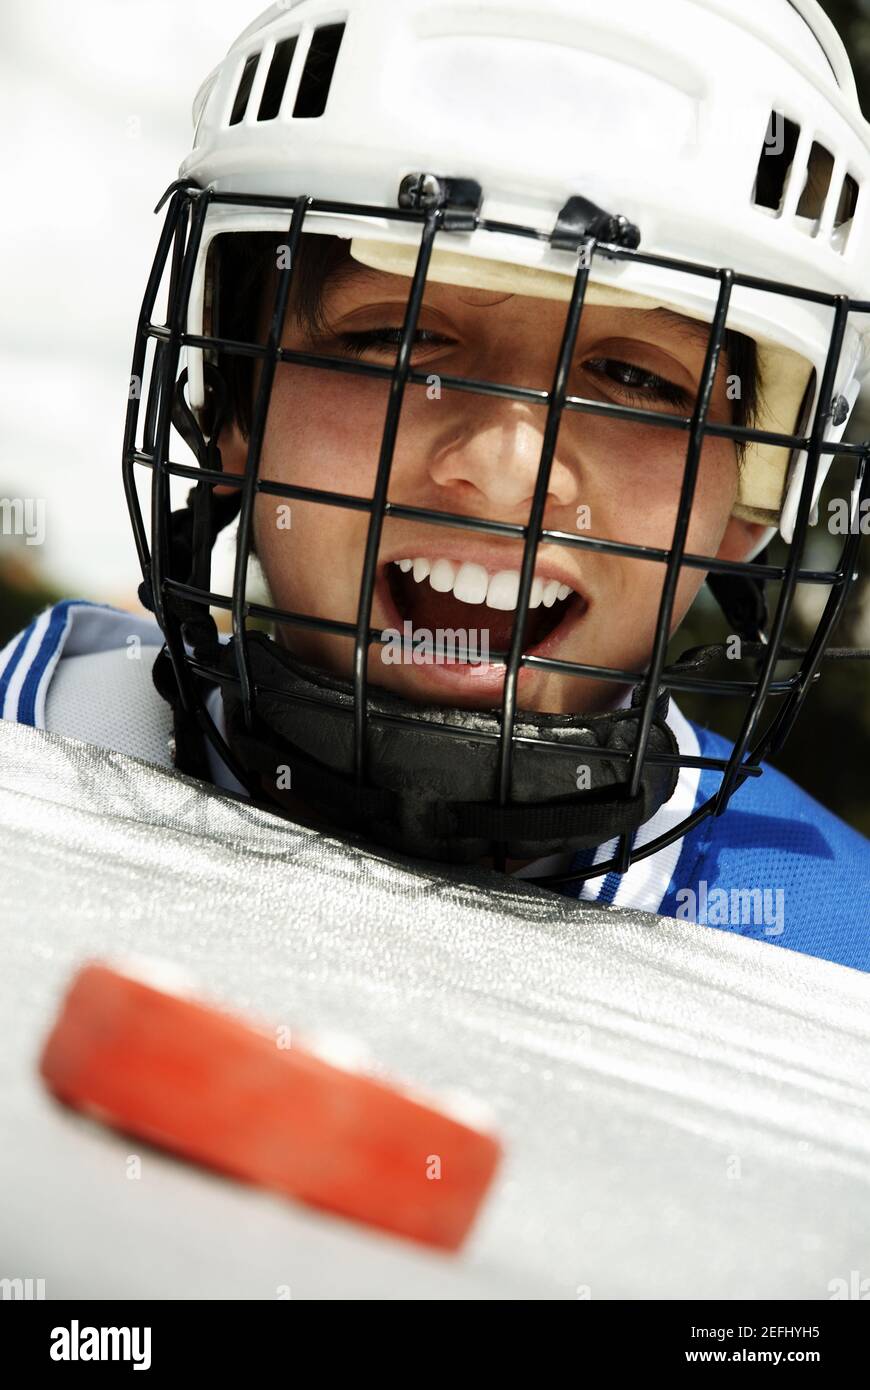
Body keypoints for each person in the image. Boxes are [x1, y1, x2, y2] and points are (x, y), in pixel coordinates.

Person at [2, 0, 869, 968]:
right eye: (400, 336)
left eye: (636, 380)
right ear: (234, 405)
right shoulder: (39, 736)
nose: (503, 472)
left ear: (750, 496)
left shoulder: (826, 943)